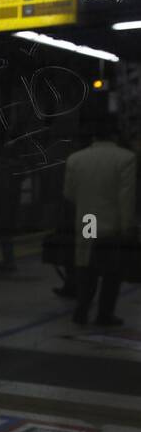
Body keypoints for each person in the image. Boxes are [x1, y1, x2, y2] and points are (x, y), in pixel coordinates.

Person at [64, 107, 137, 327]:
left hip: (88, 221)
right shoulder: (126, 158)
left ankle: (82, 310)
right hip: (112, 224)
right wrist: (128, 227)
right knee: (111, 271)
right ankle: (104, 314)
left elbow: (69, 194)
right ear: (115, 134)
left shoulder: (76, 159)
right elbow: (126, 197)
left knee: (86, 265)